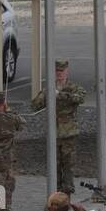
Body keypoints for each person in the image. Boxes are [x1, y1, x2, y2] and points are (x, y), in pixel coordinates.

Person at [31, 60, 87, 196]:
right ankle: (55, 194)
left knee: (68, 164)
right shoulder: (49, 88)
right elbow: (35, 105)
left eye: (61, 71)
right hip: (53, 133)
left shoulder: (73, 88)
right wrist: (46, 94)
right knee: (54, 165)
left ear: (66, 71)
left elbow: (80, 98)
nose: (59, 74)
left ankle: (66, 193)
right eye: (57, 71)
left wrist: (60, 95)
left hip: (68, 133)